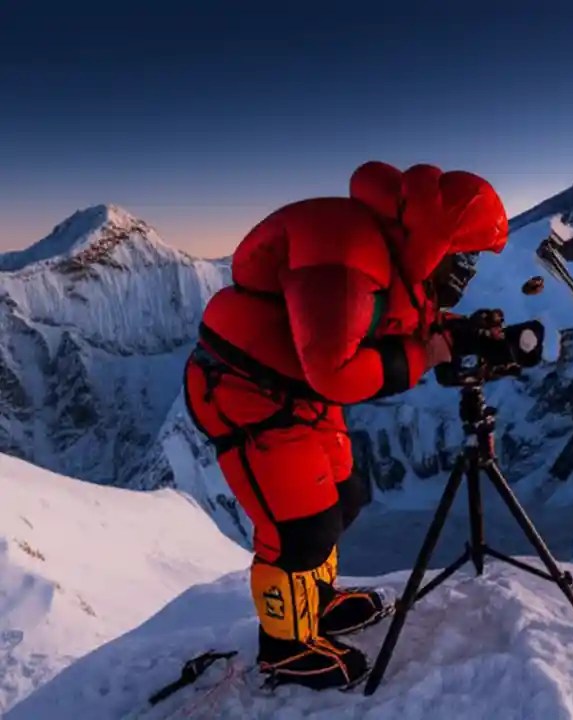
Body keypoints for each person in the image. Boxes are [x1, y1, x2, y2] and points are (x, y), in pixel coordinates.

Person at [182, 161, 508, 691]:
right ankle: (283, 648)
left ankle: (315, 600)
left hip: (297, 390)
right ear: (438, 239)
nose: (467, 271)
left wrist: (457, 331)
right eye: (465, 256)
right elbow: (335, 370)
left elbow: (402, 315)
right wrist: (426, 355)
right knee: (300, 528)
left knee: (344, 496)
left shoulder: (401, 252)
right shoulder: (345, 251)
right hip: (248, 393)